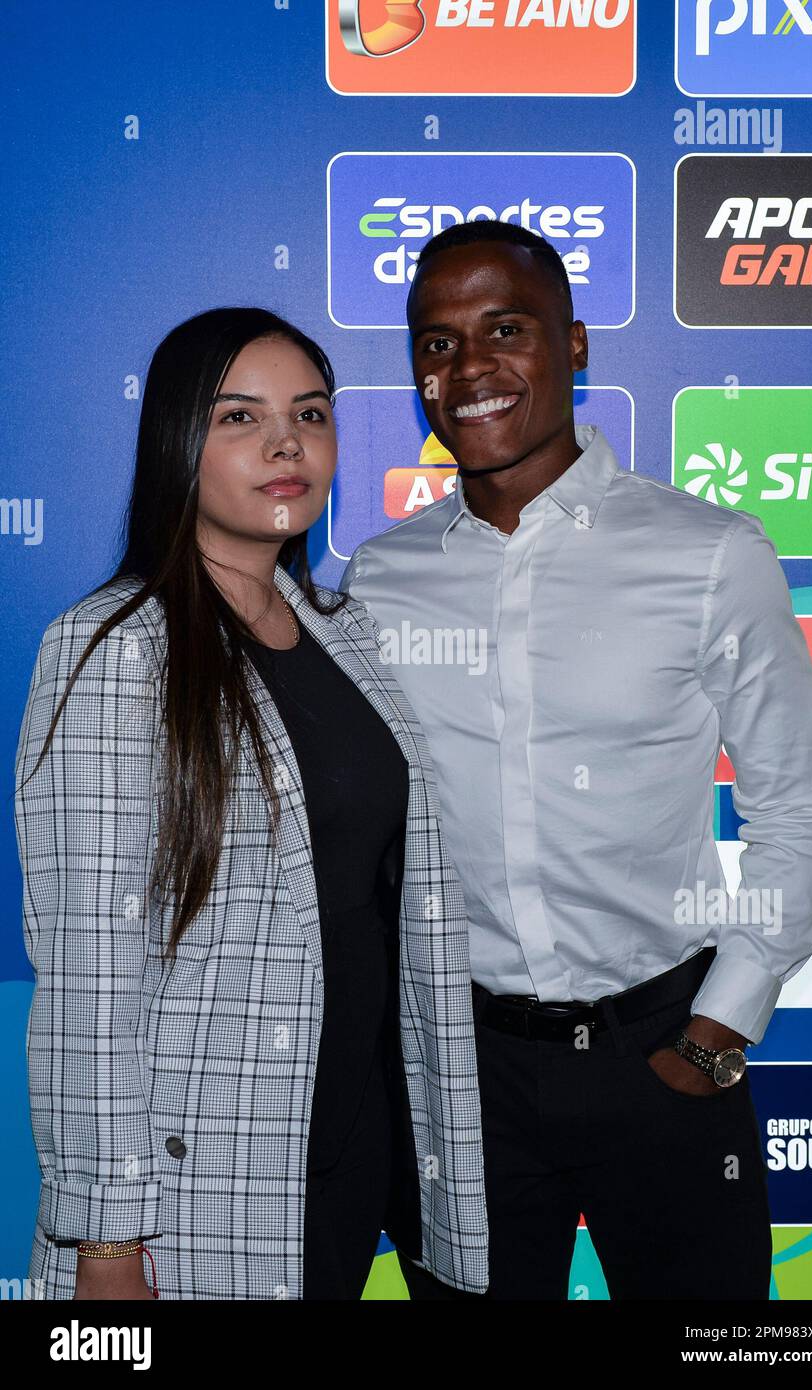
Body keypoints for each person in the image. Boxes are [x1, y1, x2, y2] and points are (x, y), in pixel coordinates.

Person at [340, 219, 812, 1301]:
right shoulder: (377, 580)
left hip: (664, 1049)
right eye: (435, 342)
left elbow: (800, 802)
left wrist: (720, 1026)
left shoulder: (707, 555)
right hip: (461, 1077)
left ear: (574, 346)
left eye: (504, 328)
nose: (467, 367)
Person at [14, 307, 487, 1301]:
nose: (286, 443)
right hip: (198, 1185)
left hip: (348, 1153)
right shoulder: (112, 649)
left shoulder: (345, 631)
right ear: (179, 442)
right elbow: (93, 972)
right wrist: (105, 1237)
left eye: (310, 414)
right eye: (240, 417)